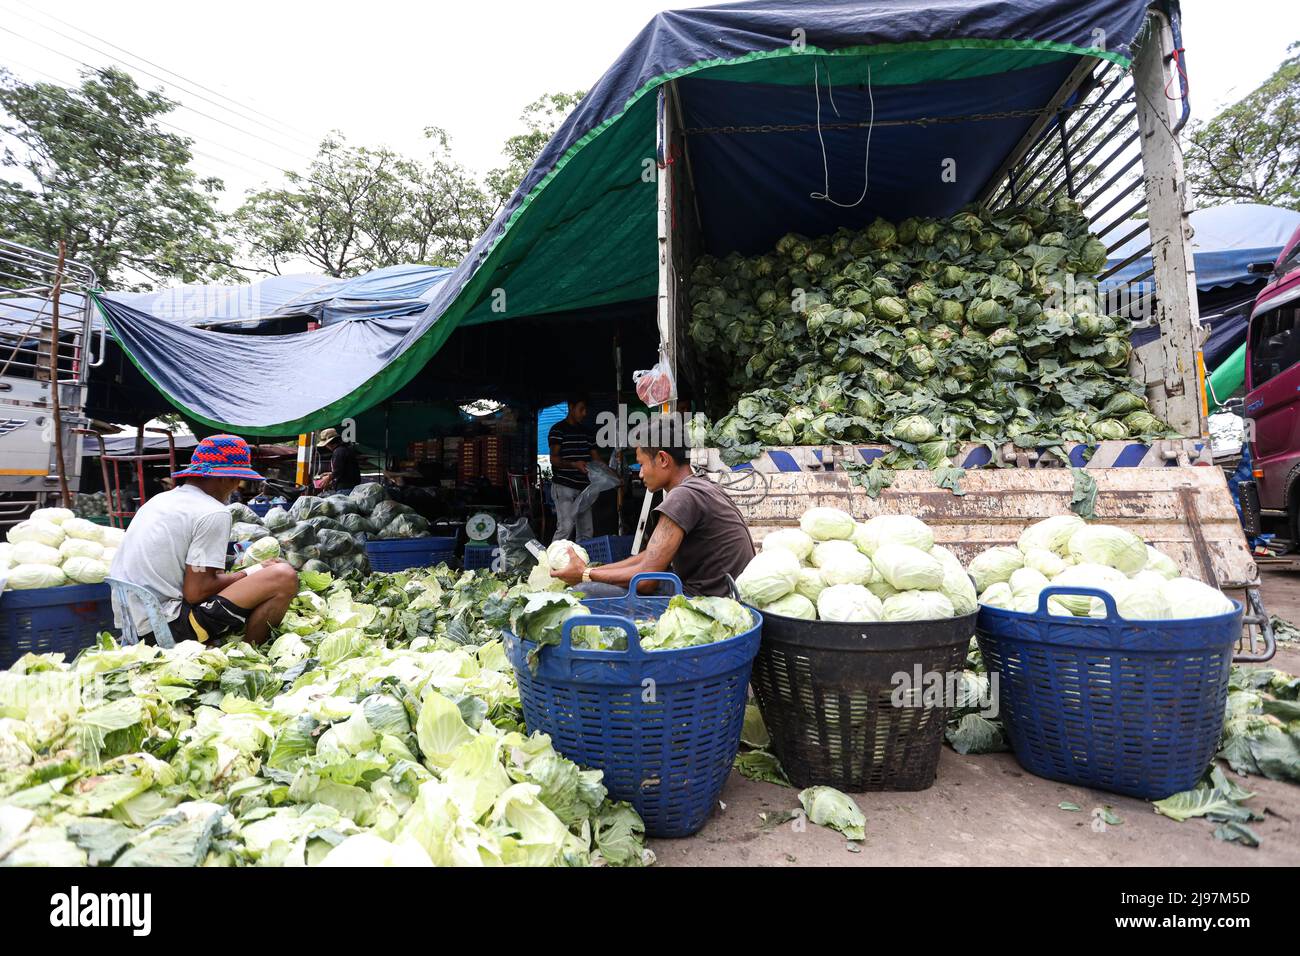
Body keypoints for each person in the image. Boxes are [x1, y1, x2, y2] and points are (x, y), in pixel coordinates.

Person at [110, 434, 299, 646]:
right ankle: (250, 652)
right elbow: (196, 592)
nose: (237, 486)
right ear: (225, 478)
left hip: (134, 625)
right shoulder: (213, 512)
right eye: (238, 479)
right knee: (283, 577)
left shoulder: (161, 500)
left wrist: (246, 573)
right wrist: (250, 572)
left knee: (232, 576)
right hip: (165, 628)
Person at [551, 426, 755, 597]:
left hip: (705, 602)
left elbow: (646, 581)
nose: (640, 474)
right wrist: (589, 571)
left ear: (663, 459)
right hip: (722, 594)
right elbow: (649, 556)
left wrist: (586, 576)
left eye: (641, 464)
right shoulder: (701, 485)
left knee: (584, 592)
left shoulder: (683, 496)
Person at [548, 395, 601, 541]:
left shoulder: (588, 433)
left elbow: (597, 459)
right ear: (571, 407)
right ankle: (552, 562)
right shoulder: (558, 430)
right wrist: (574, 465)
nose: (584, 413)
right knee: (565, 528)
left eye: (585, 410)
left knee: (586, 532)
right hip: (564, 486)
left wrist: (613, 475)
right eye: (581, 409)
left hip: (584, 488)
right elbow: (554, 459)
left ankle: (582, 562)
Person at [316, 427, 362, 494]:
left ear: (329, 444)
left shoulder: (338, 452)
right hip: (352, 487)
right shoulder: (345, 449)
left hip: (345, 488)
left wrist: (328, 478)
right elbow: (344, 469)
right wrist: (330, 474)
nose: (326, 447)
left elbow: (338, 471)